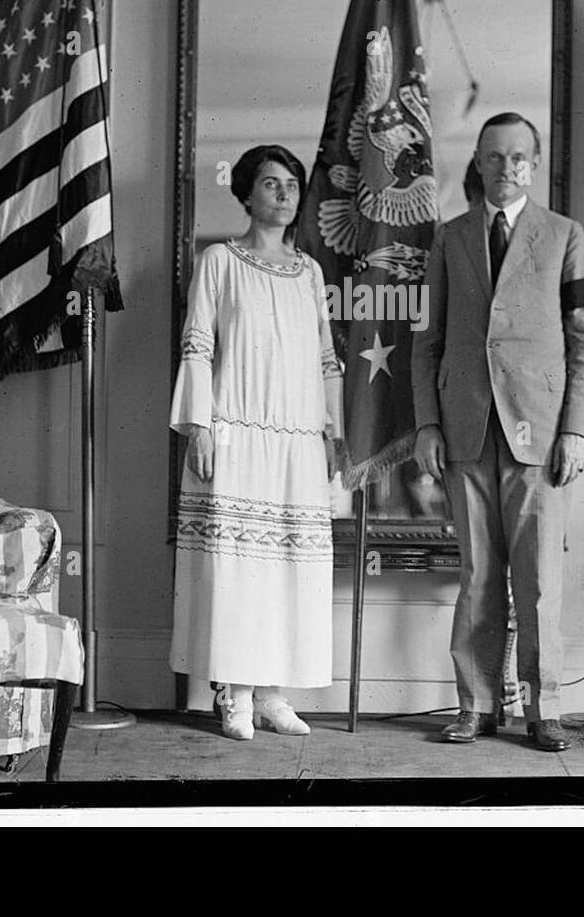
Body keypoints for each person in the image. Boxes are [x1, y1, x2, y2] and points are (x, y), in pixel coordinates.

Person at [411, 112, 584, 752]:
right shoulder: (449, 238)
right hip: (466, 427)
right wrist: (428, 425)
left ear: (535, 163)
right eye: (494, 156)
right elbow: (426, 343)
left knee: (539, 580)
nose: (507, 167)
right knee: (478, 576)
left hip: (541, 435)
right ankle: (477, 705)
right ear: (480, 163)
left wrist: (575, 430)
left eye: (519, 157)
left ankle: (544, 709)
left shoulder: (566, 236)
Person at [169, 144, 344, 741]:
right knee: (238, 570)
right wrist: (199, 425)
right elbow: (198, 343)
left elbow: (326, 360)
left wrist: (331, 433)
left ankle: (271, 692)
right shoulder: (220, 260)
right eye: (271, 184)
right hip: (236, 432)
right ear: (246, 194)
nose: (285, 193)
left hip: (296, 442)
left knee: (287, 569)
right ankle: (234, 692)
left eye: (292, 184)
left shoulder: (310, 271)